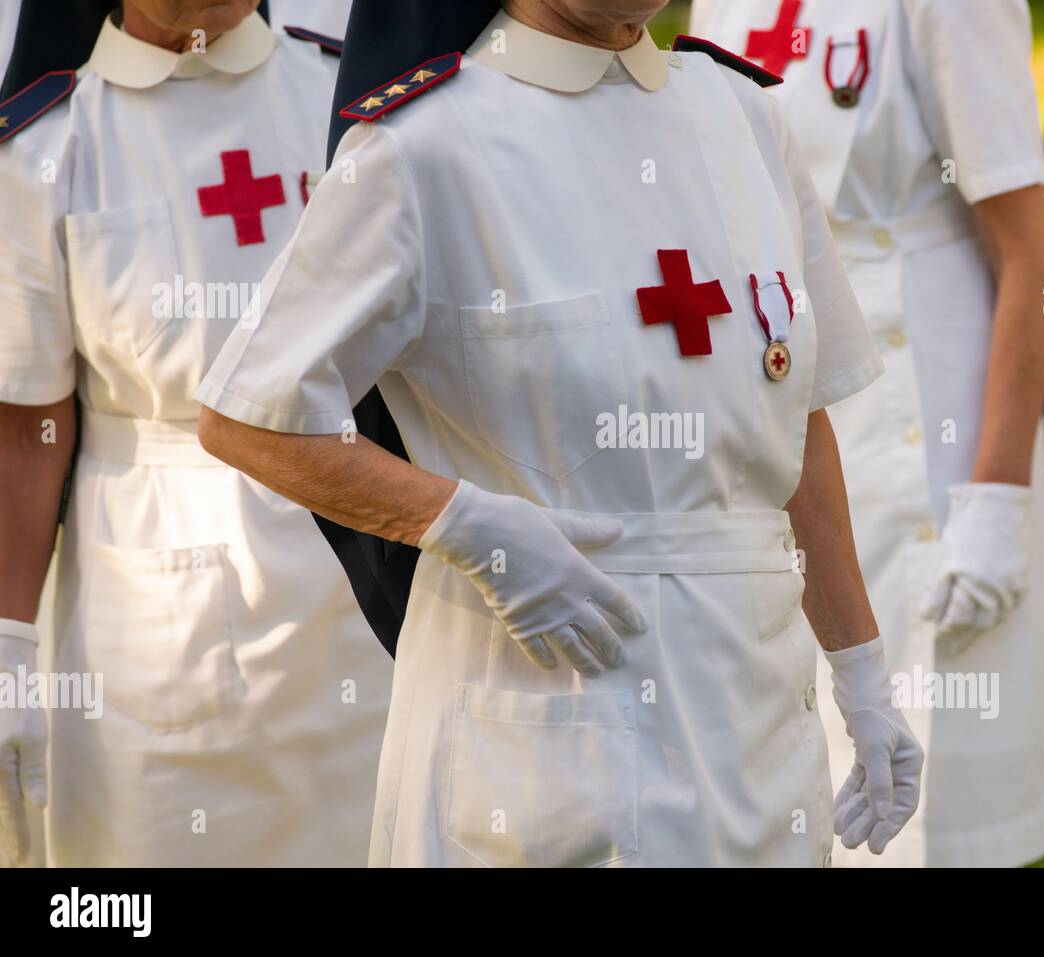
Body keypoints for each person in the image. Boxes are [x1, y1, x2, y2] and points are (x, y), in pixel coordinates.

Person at [196, 0, 924, 866]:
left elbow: (796, 421)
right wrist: (464, 524)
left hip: (757, 726)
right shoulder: (423, 146)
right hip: (541, 734)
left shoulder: (747, 116)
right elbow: (248, 415)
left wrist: (862, 668)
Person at [689, 0, 1044, 867]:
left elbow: (1029, 254)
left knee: (937, 778)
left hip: (929, 409)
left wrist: (996, 498)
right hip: (780, 388)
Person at [0, 0, 392, 866]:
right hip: (145, 607)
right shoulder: (44, 147)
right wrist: (9, 645)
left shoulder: (348, 100)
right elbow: (28, 424)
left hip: (356, 581)